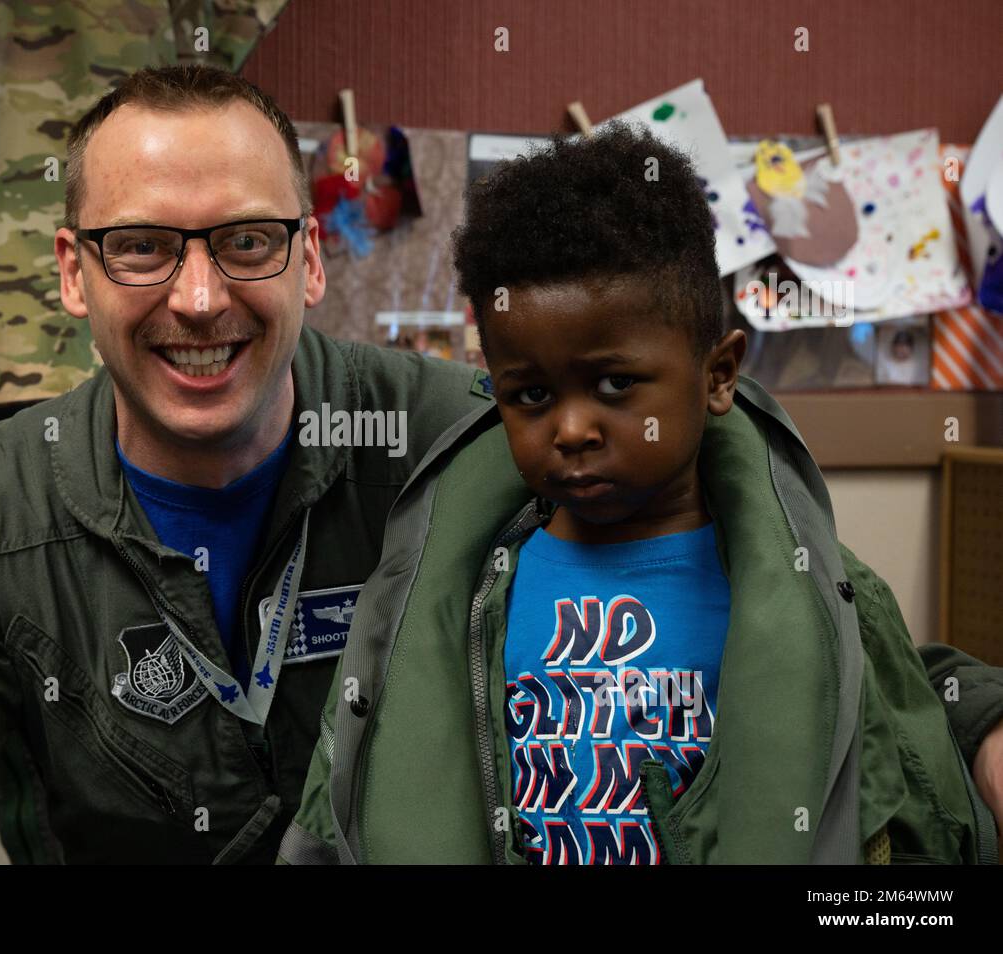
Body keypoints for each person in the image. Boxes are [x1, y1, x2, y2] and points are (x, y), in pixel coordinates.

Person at [0, 65, 491, 864]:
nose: (199, 298)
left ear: (311, 259)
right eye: (140, 247)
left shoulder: (460, 440)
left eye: (248, 241)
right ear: (71, 273)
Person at [280, 124, 1003, 864]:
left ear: (718, 374)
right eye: (529, 394)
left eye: (616, 384)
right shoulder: (435, 599)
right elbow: (337, 812)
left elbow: (917, 811)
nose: (571, 429)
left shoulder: (811, 590)